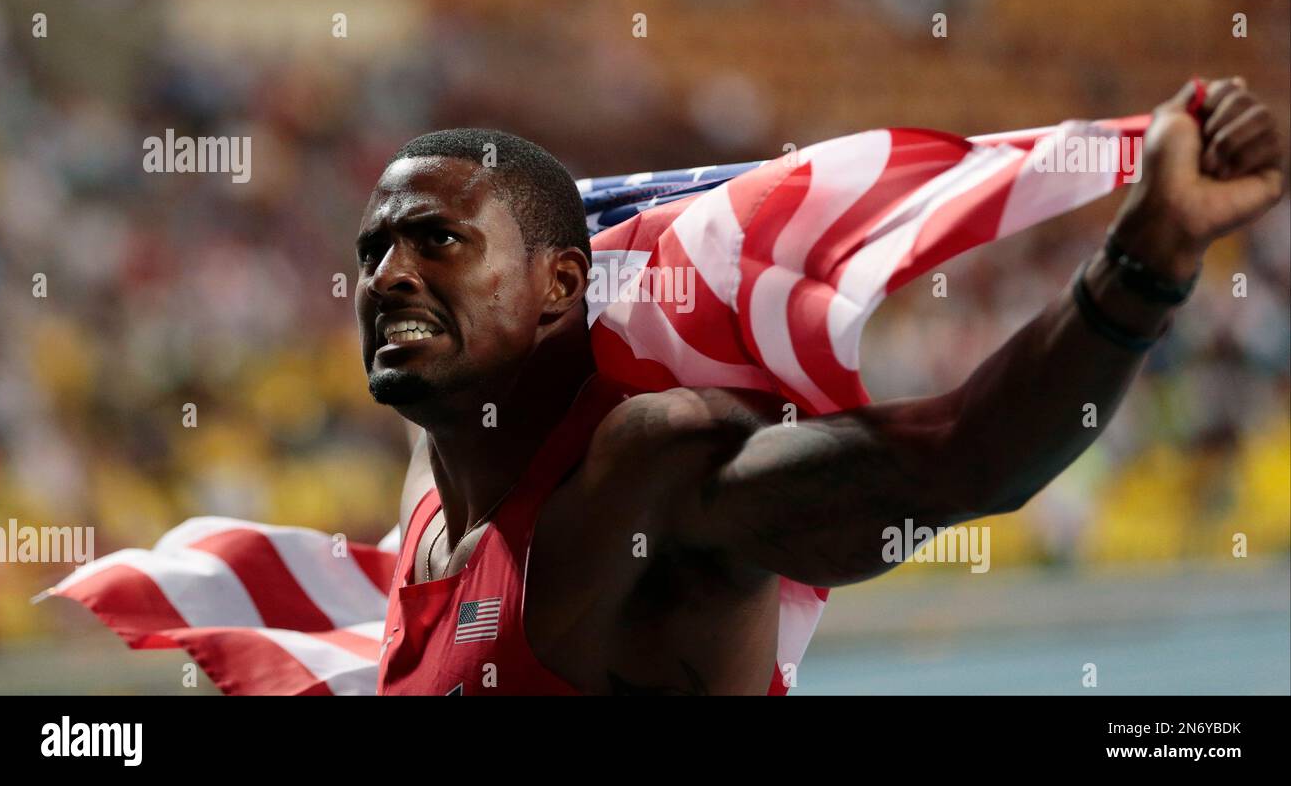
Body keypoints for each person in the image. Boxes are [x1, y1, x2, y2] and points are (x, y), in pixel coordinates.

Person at [357, 77, 1285, 695]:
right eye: (373, 250)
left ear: (561, 283)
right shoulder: (434, 507)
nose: (388, 274)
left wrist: (1148, 260)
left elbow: (958, 460)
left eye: (437, 240)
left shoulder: (646, 475)